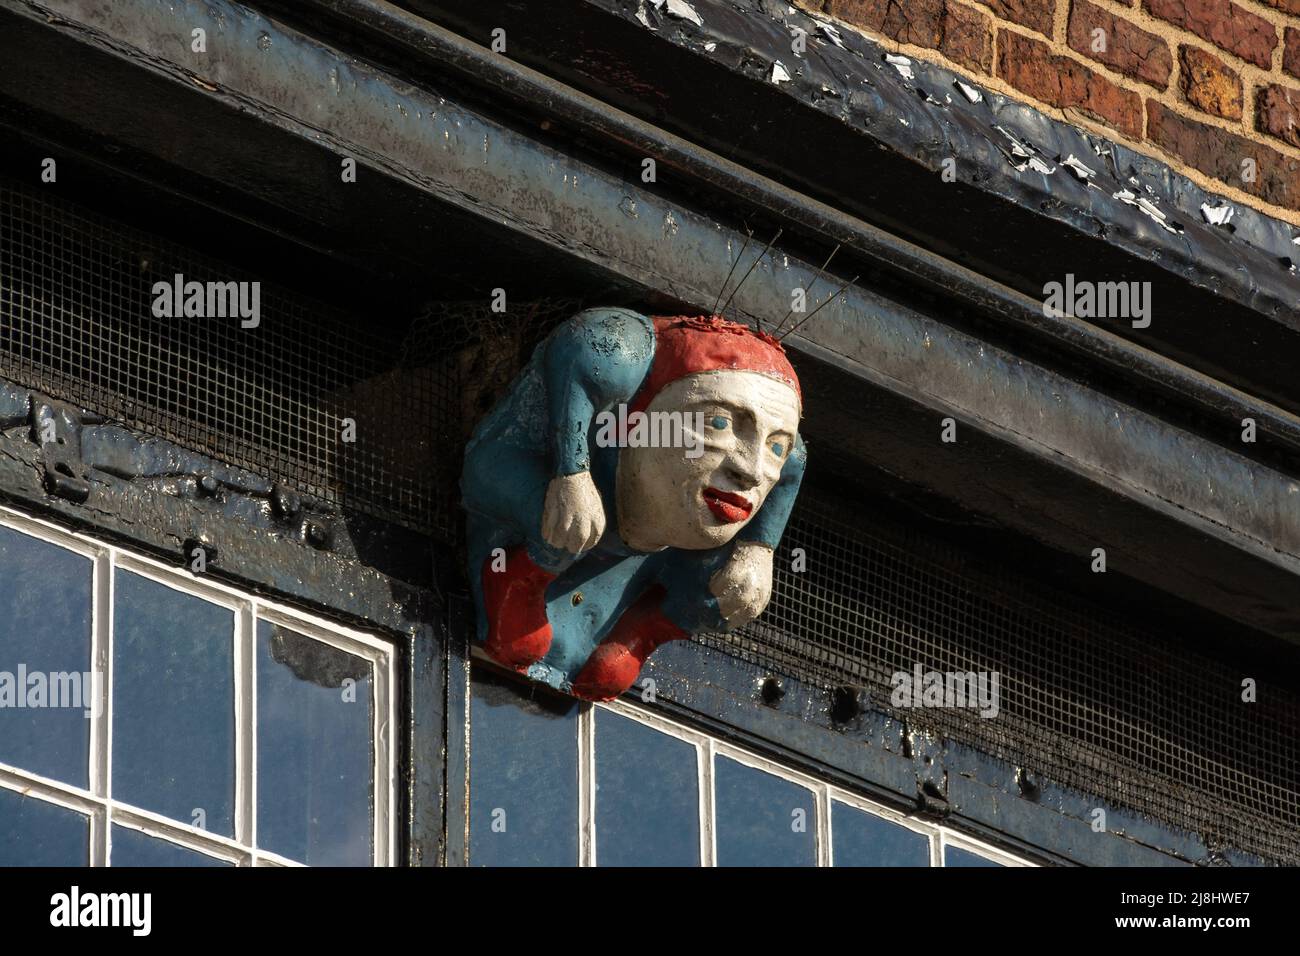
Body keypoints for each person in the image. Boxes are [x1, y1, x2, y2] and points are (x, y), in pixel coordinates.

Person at [462, 307, 806, 700]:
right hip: (526, 484)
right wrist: (571, 473)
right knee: (567, 517)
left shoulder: (776, 465)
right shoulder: (626, 356)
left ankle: (645, 630)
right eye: (719, 424)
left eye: (774, 446)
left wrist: (757, 551)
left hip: (638, 553)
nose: (751, 470)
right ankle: (521, 574)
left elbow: (794, 461)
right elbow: (583, 347)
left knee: (731, 586)